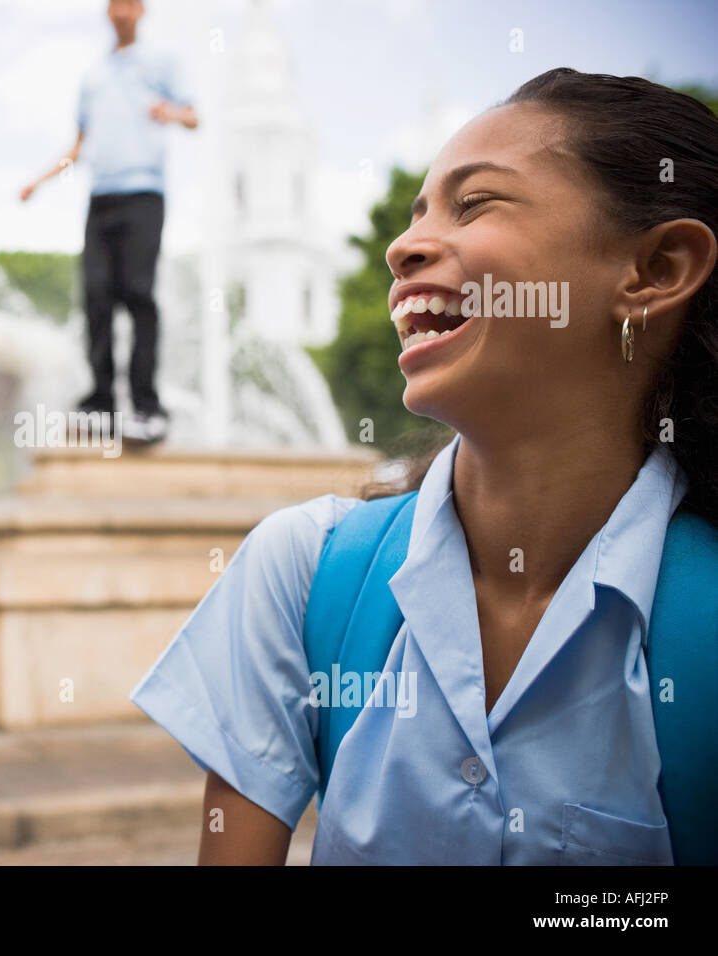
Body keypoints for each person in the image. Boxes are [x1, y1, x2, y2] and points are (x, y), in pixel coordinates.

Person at [130, 68, 718, 864]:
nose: (402, 248)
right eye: (416, 215)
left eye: (475, 204)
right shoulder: (305, 574)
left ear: (657, 270)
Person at [20, 0, 196, 444]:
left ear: (141, 11)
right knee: (97, 298)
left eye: (129, 4)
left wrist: (169, 112)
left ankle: (148, 409)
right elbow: (76, 146)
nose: (121, 11)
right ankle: (99, 404)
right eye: (114, 4)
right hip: (101, 200)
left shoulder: (162, 63)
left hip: (144, 194)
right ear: (108, 12)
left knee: (138, 295)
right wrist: (39, 180)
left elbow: (193, 116)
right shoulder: (93, 77)